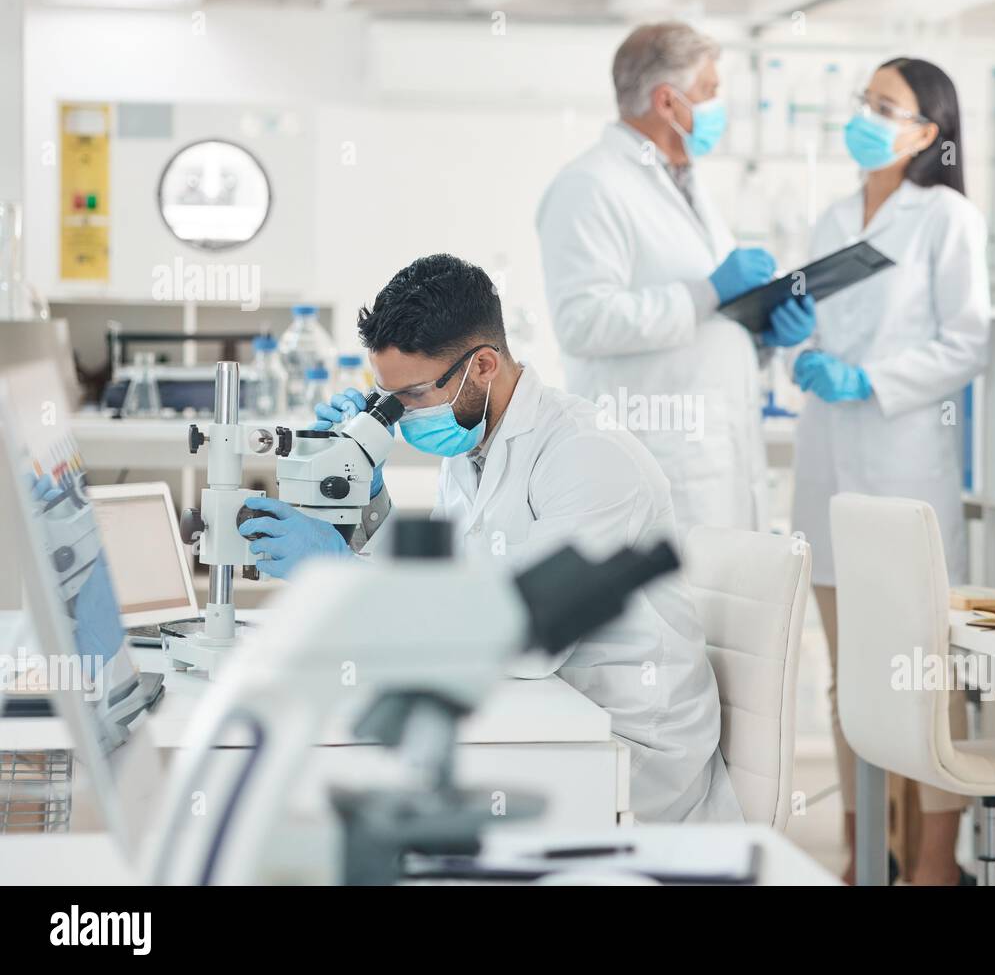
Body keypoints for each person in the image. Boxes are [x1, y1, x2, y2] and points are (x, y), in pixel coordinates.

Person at [237, 253, 743, 824]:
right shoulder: (471, 447)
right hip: (538, 711)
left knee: (366, 794)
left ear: (482, 366)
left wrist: (344, 575)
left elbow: (522, 639)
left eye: (412, 397)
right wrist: (368, 499)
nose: (398, 418)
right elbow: (450, 592)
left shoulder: (588, 457)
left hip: (624, 744)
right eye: (387, 398)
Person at [791, 58, 990, 884]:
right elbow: (819, 331)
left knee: (921, 679)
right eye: (862, 101)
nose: (866, 116)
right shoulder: (833, 216)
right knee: (850, 682)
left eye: (886, 105)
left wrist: (871, 380)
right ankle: (861, 856)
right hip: (829, 473)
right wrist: (796, 344)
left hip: (906, 475)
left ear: (926, 133)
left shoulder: (945, 218)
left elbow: (968, 340)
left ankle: (934, 865)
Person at [536, 21, 815, 536]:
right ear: (668, 102)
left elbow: (706, 321)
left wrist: (761, 330)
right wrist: (707, 291)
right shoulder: (589, 187)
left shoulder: (685, 182)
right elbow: (582, 322)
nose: (718, 104)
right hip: (656, 460)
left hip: (715, 459)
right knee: (672, 614)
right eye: (709, 91)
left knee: (732, 608)